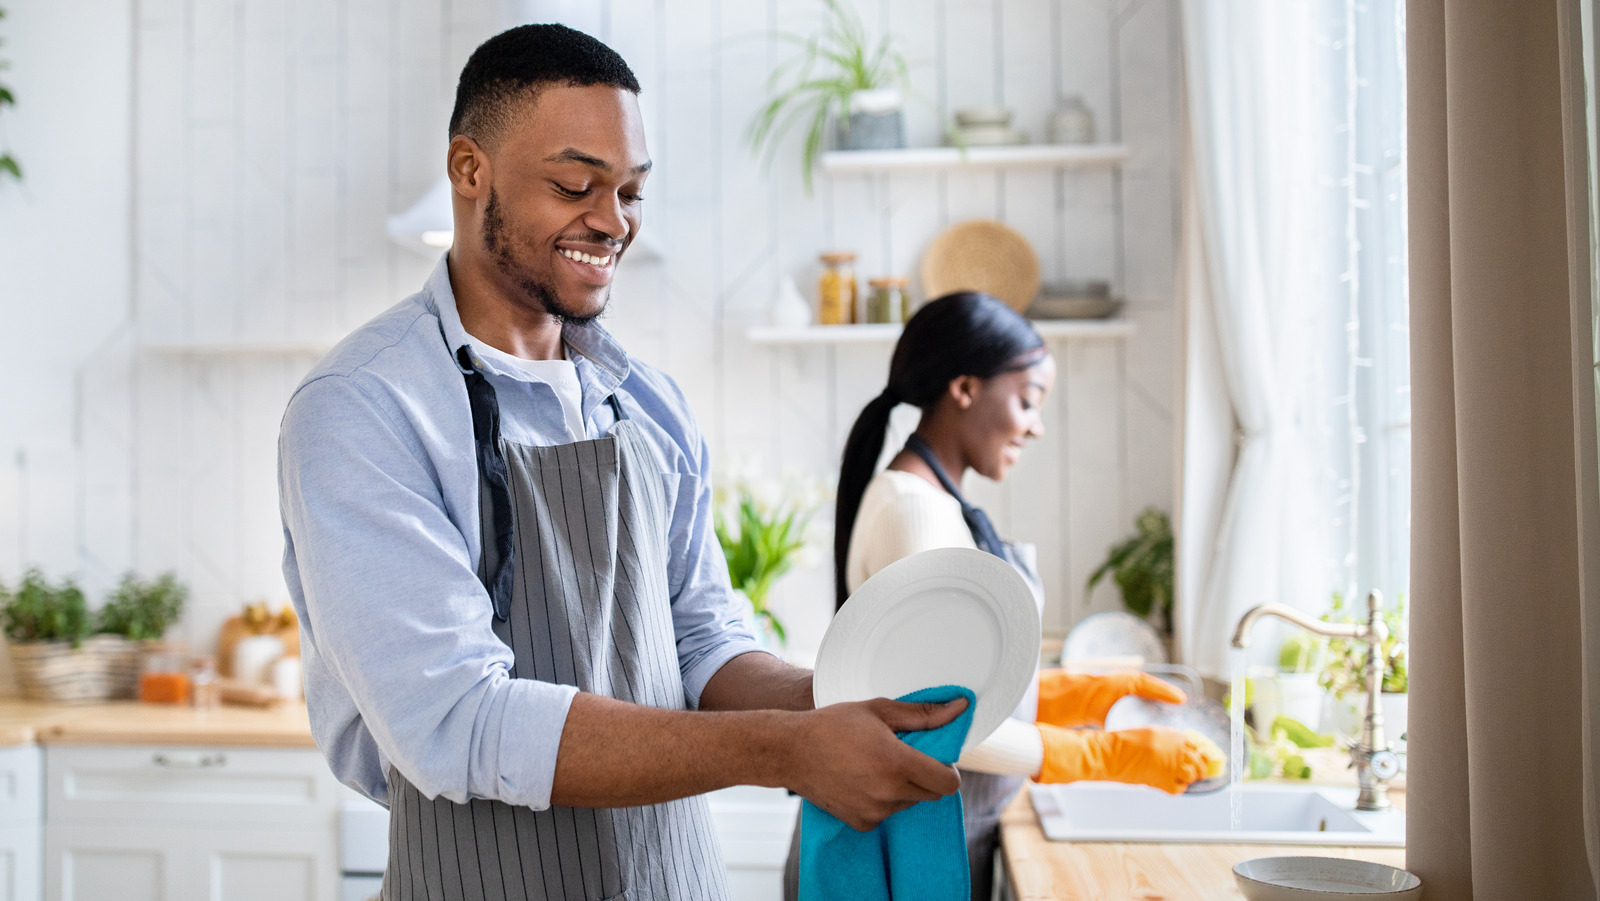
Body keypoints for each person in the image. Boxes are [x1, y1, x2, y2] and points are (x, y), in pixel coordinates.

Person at [278, 25, 968, 901]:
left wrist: (843, 698)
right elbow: (458, 718)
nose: (612, 221)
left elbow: (702, 640)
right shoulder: (365, 407)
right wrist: (785, 748)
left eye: (632, 191)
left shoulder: (647, 403)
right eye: (576, 185)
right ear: (468, 170)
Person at [783, 292, 1219, 901]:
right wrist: (1097, 755)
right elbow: (931, 716)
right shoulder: (915, 513)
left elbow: (951, 683)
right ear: (964, 388)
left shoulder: (933, 503)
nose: (1036, 425)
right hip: (891, 850)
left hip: (927, 829)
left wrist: (1073, 694)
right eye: (1028, 400)